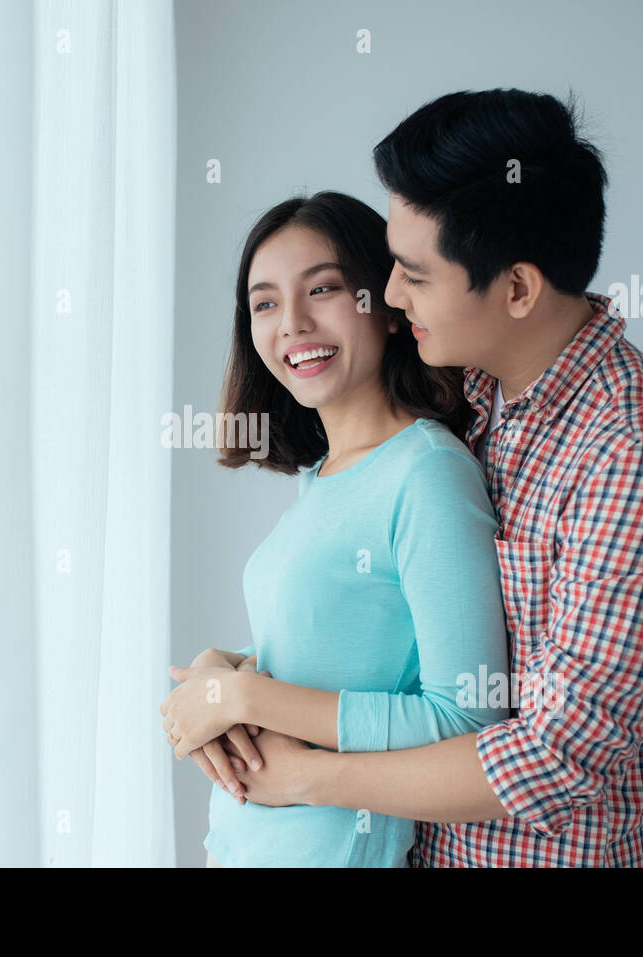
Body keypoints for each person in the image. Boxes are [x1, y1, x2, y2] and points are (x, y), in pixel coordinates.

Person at [215, 89, 643, 868]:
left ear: (519, 288)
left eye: (413, 275)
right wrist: (232, 683)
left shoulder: (637, 458)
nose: (389, 295)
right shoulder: (482, 398)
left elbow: (556, 759)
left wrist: (303, 775)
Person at [159, 190, 510, 866]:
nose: (291, 322)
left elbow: (467, 720)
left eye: (322, 289)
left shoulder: (428, 473)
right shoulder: (323, 473)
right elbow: (344, 656)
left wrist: (248, 695)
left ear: (386, 303)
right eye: (264, 302)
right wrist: (226, 671)